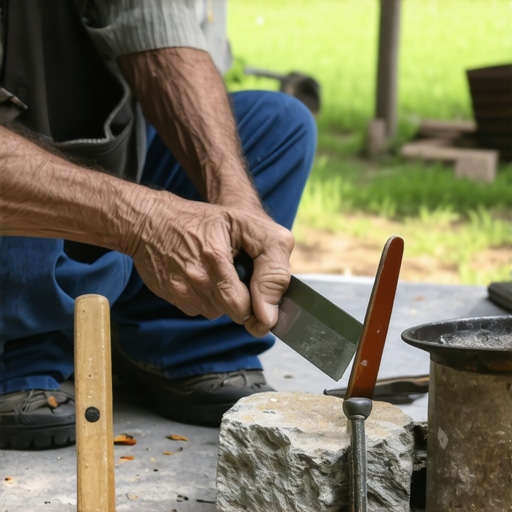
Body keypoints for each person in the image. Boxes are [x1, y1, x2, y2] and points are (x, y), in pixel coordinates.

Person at [0, 1, 316, 450]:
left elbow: (158, 34)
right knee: (25, 153)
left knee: (278, 126)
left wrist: (236, 202)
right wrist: (145, 221)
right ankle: (22, 354)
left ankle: (183, 340)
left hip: (98, 174)